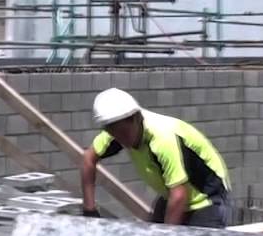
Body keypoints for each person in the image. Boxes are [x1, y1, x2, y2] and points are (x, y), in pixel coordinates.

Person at [79, 88, 232, 228]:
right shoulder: (118, 130)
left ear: (136, 118)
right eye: (114, 134)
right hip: (173, 193)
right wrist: (89, 210)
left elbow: (179, 195)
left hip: (207, 199)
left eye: (124, 133)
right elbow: (88, 159)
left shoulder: (162, 138)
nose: (121, 140)